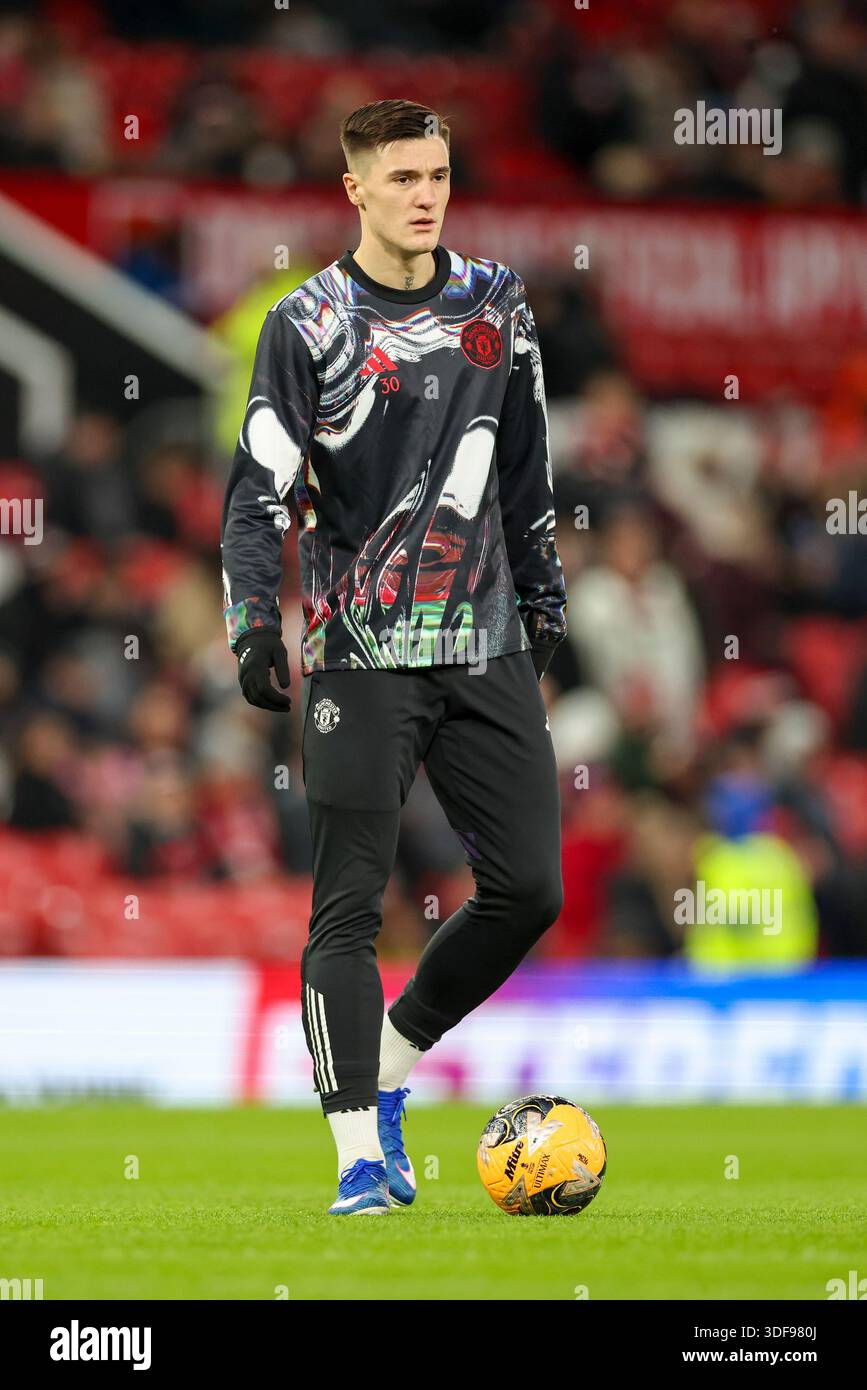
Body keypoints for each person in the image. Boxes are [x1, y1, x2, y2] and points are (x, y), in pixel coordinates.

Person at [220, 98, 567, 1214]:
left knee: (530, 890)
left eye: (440, 175)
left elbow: (525, 470)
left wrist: (546, 593)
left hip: (484, 640)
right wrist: (250, 619)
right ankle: (357, 1157)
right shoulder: (305, 322)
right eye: (404, 177)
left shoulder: (497, 304)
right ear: (355, 189)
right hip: (360, 652)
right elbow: (255, 491)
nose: (427, 195)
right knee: (349, 911)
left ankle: (395, 1063)